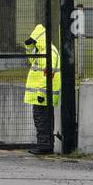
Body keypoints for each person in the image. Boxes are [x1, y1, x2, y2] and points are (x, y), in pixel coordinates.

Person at [23, 22, 60, 155]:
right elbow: (31, 61)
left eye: (34, 40)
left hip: (43, 95)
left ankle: (44, 146)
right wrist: (29, 46)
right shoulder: (43, 52)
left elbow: (48, 74)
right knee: (42, 120)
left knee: (42, 120)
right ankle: (45, 144)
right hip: (42, 95)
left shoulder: (49, 52)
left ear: (40, 39)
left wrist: (40, 92)